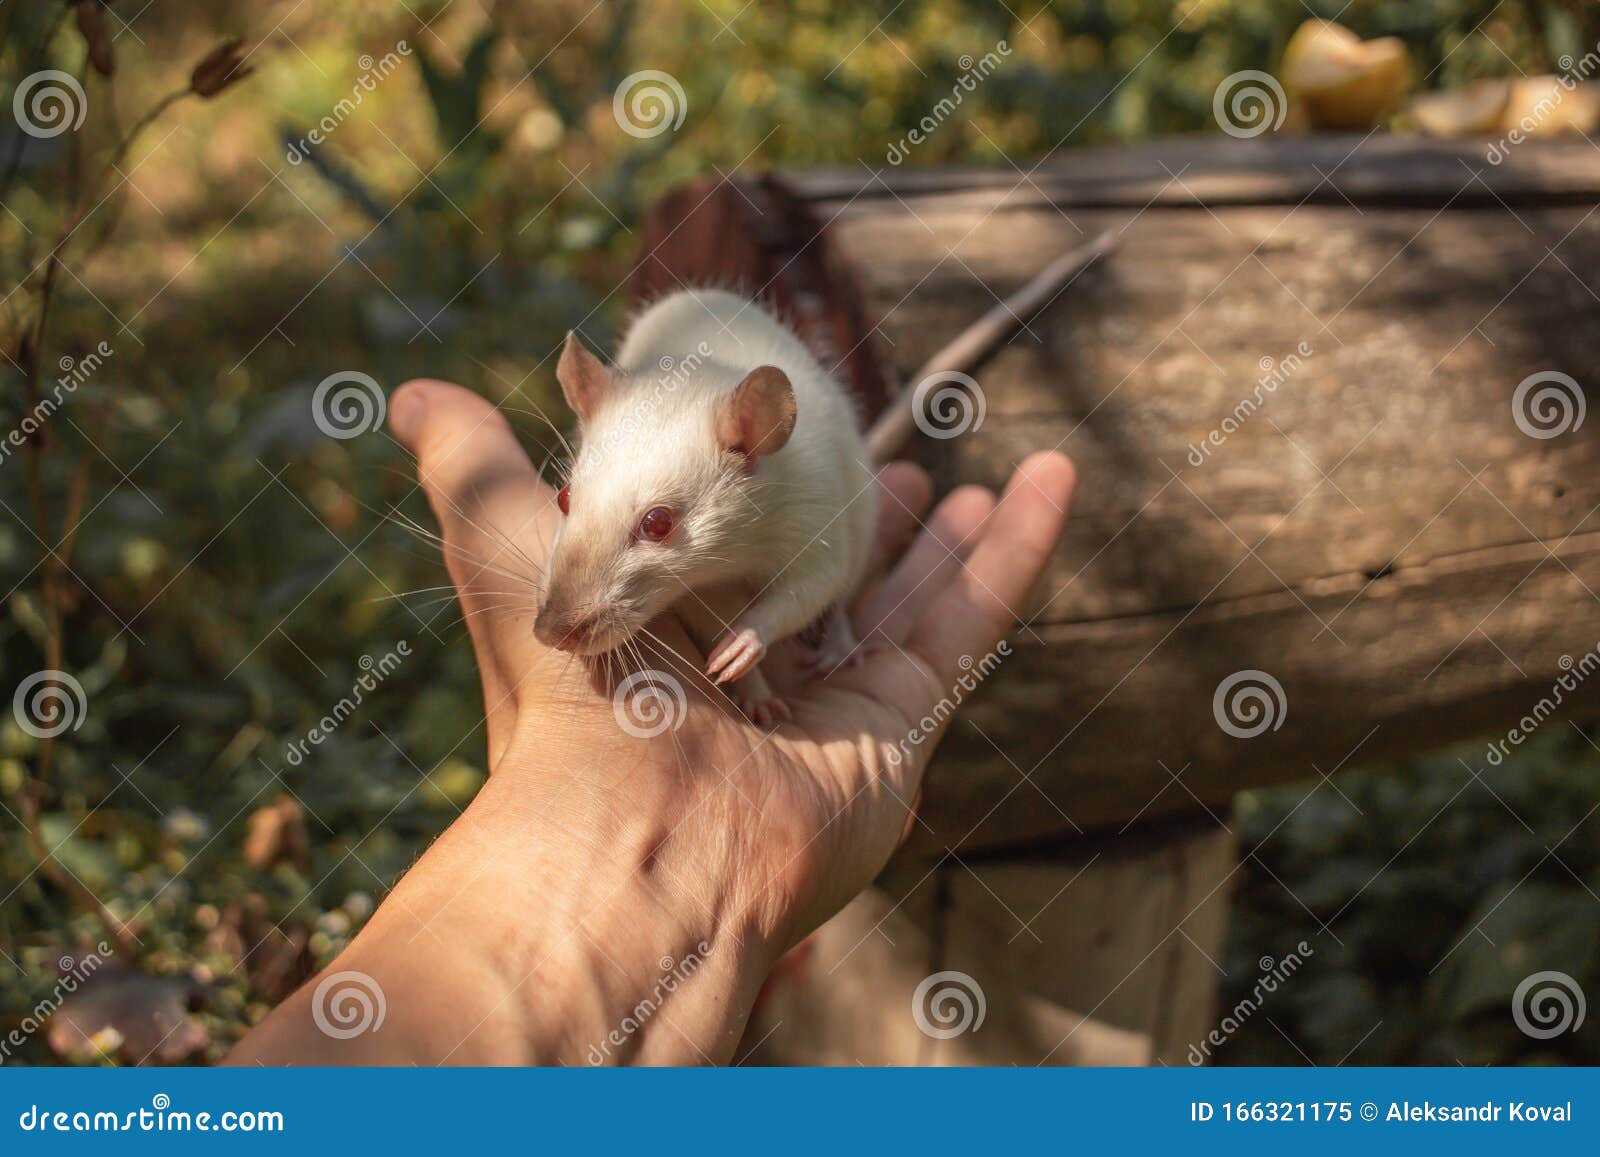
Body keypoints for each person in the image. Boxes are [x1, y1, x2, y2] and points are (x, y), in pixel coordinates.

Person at [227, 378, 1077, 1065]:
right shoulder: (646, 440)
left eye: (658, 526)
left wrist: (780, 622)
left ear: (754, 438)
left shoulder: (766, 468)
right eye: (566, 500)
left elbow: (824, 555)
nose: (554, 624)